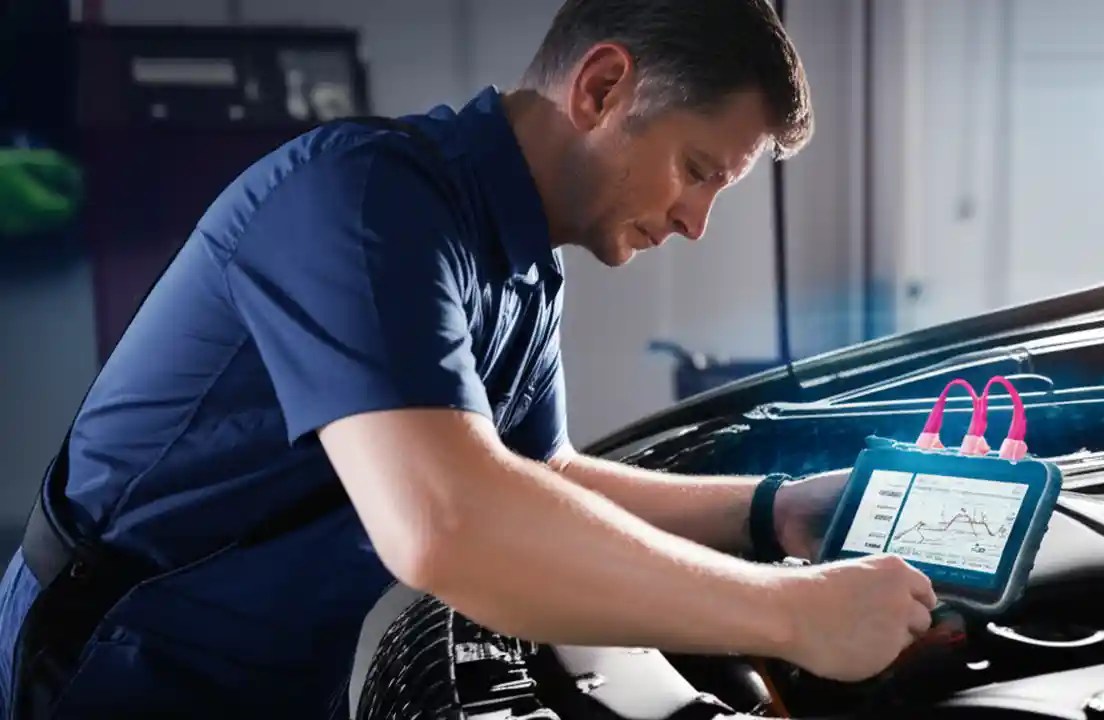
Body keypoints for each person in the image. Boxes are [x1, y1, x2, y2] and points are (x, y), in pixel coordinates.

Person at [0, 0, 937, 717]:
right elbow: (447, 523)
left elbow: (545, 480)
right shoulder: (365, 201)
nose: (696, 223)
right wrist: (790, 614)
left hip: (281, 674)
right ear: (603, 87)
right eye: (697, 171)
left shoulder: (522, 266)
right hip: (114, 664)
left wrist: (779, 511)